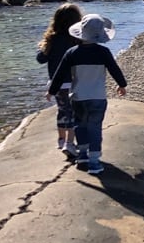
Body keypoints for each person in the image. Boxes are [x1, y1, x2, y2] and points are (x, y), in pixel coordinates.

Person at [45, 13, 127, 175]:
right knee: (95, 128)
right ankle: (94, 162)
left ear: (81, 33)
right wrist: (122, 85)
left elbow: (60, 74)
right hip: (97, 96)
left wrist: (51, 91)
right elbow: (114, 70)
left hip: (78, 97)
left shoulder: (72, 52)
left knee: (80, 125)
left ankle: (82, 155)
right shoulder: (103, 52)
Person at [36, 2, 83, 157]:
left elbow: (40, 59)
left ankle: (61, 139)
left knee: (62, 110)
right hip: (73, 82)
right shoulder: (77, 39)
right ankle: (69, 143)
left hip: (56, 84)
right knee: (73, 112)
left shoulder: (52, 39)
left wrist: (44, 47)